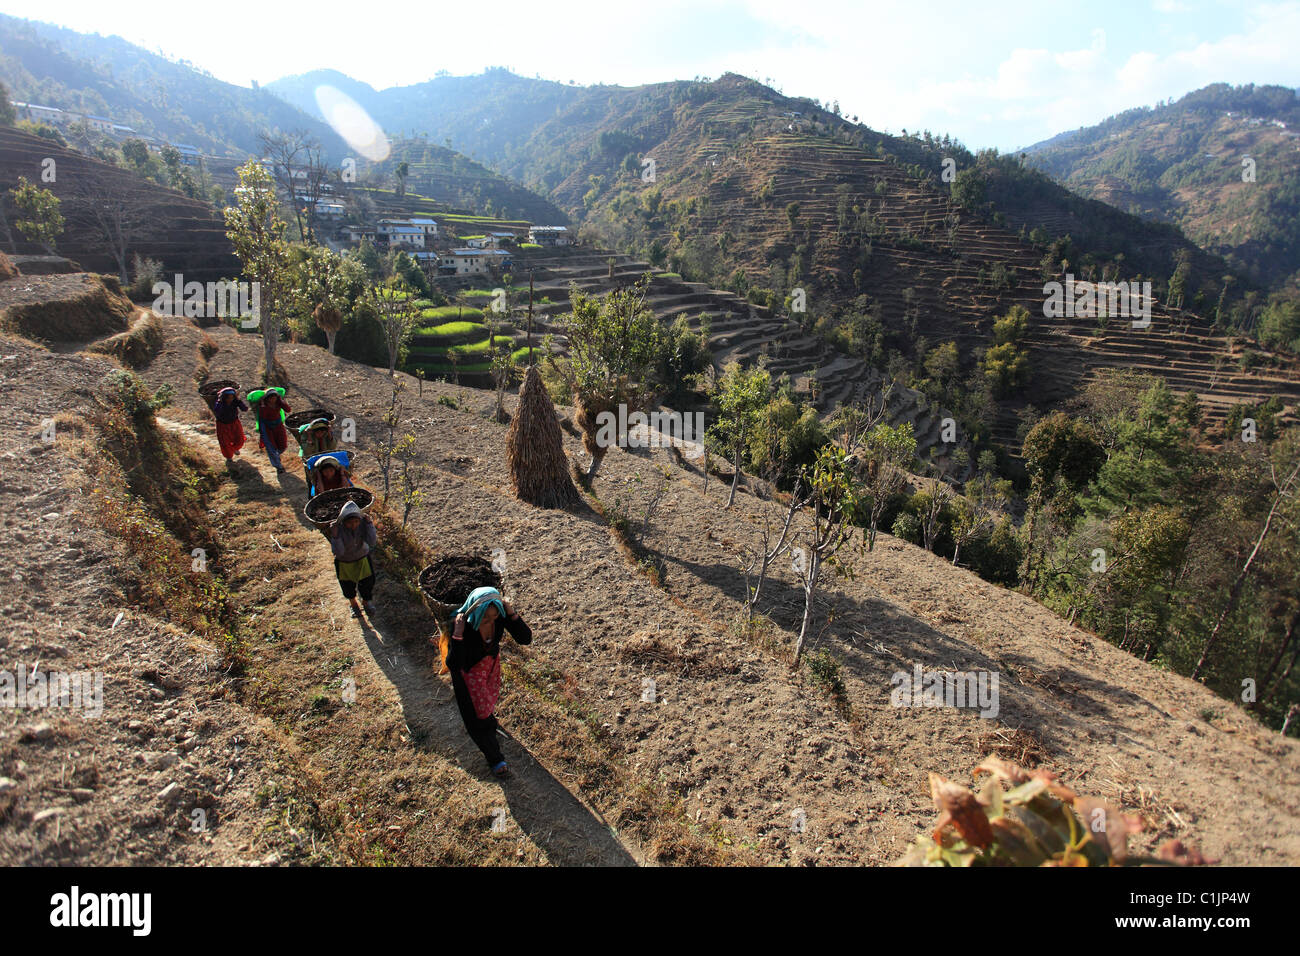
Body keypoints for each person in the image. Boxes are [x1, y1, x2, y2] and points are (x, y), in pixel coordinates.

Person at [444, 586, 532, 777]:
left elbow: (525, 639)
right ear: (474, 613)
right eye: (485, 618)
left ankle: (488, 723)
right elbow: (453, 663)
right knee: (475, 718)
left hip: (488, 667)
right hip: (466, 675)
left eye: (493, 617)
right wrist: (457, 635)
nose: (490, 622)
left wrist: (512, 614)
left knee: (485, 707)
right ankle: (495, 759)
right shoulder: (462, 625)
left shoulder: (499, 617)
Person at [330, 499, 376, 618]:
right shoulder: (338, 530)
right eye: (350, 523)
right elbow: (339, 552)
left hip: (362, 558)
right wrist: (335, 536)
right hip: (345, 562)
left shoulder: (362, 526)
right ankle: (354, 605)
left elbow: (372, 541)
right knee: (347, 586)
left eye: (356, 522)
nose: (353, 525)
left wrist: (370, 524)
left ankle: (366, 602)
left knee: (367, 583)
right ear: (343, 522)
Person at [249, 387, 292, 473]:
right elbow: (263, 416)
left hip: (278, 426)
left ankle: (276, 456)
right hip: (267, 428)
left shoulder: (279, 403)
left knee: (282, 446)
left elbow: (288, 409)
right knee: (271, 447)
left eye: (275, 397)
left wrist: (282, 402)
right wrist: (263, 406)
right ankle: (278, 467)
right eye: (271, 398)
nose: (273, 399)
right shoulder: (263, 407)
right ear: (267, 399)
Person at [211, 387, 248, 463]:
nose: (230, 399)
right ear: (224, 398)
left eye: (232, 397)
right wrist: (220, 401)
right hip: (222, 425)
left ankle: (234, 449)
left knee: (240, 440)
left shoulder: (235, 402)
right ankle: (229, 457)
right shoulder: (220, 403)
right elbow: (217, 411)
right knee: (225, 443)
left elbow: (245, 409)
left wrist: (238, 400)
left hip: (235, 423)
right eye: (228, 398)